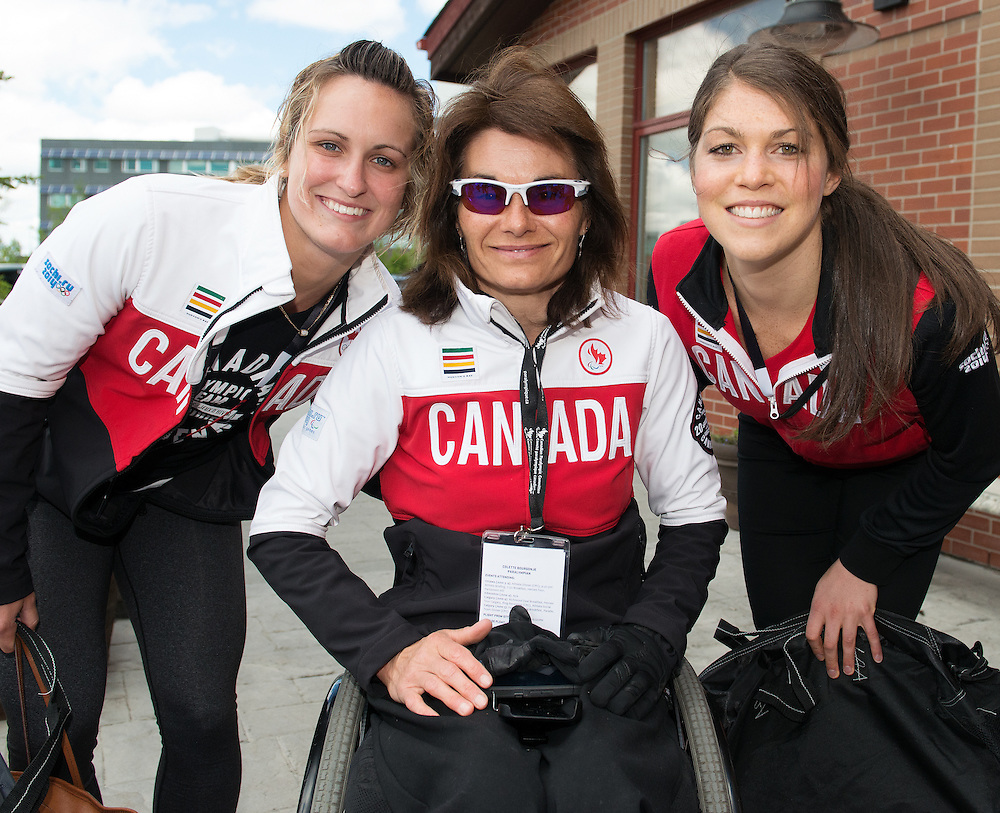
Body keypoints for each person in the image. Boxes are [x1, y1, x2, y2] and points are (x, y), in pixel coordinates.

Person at [249, 47, 727, 812]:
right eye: (484, 192)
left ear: (586, 209)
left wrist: (654, 634)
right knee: (477, 787)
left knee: (610, 787)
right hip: (444, 645)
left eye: (546, 194)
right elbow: (283, 526)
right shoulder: (395, 340)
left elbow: (696, 514)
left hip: (605, 643)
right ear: (453, 212)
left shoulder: (644, 339)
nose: (515, 219)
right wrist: (388, 651)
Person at [0, 40, 434, 813]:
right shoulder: (149, 219)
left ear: (408, 187)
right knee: (59, 722)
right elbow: (11, 385)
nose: (352, 179)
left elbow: (391, 446)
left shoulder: (377, 310)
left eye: (385, 159)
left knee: (202, 715)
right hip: (48, 487)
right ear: (289, 145)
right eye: (330, 145)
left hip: (181, 496)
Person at [649, 42, 1000, 681]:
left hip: (898, 469)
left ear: (831, 171)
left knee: (862, 671)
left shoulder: (921, 306)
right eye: (725, 147)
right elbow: (665, 397)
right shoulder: (675, 268)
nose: (752, 174)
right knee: (783, 655)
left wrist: (865, 563)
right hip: (780, 449)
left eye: (787, 147)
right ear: (694, 164)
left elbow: (976, 450)